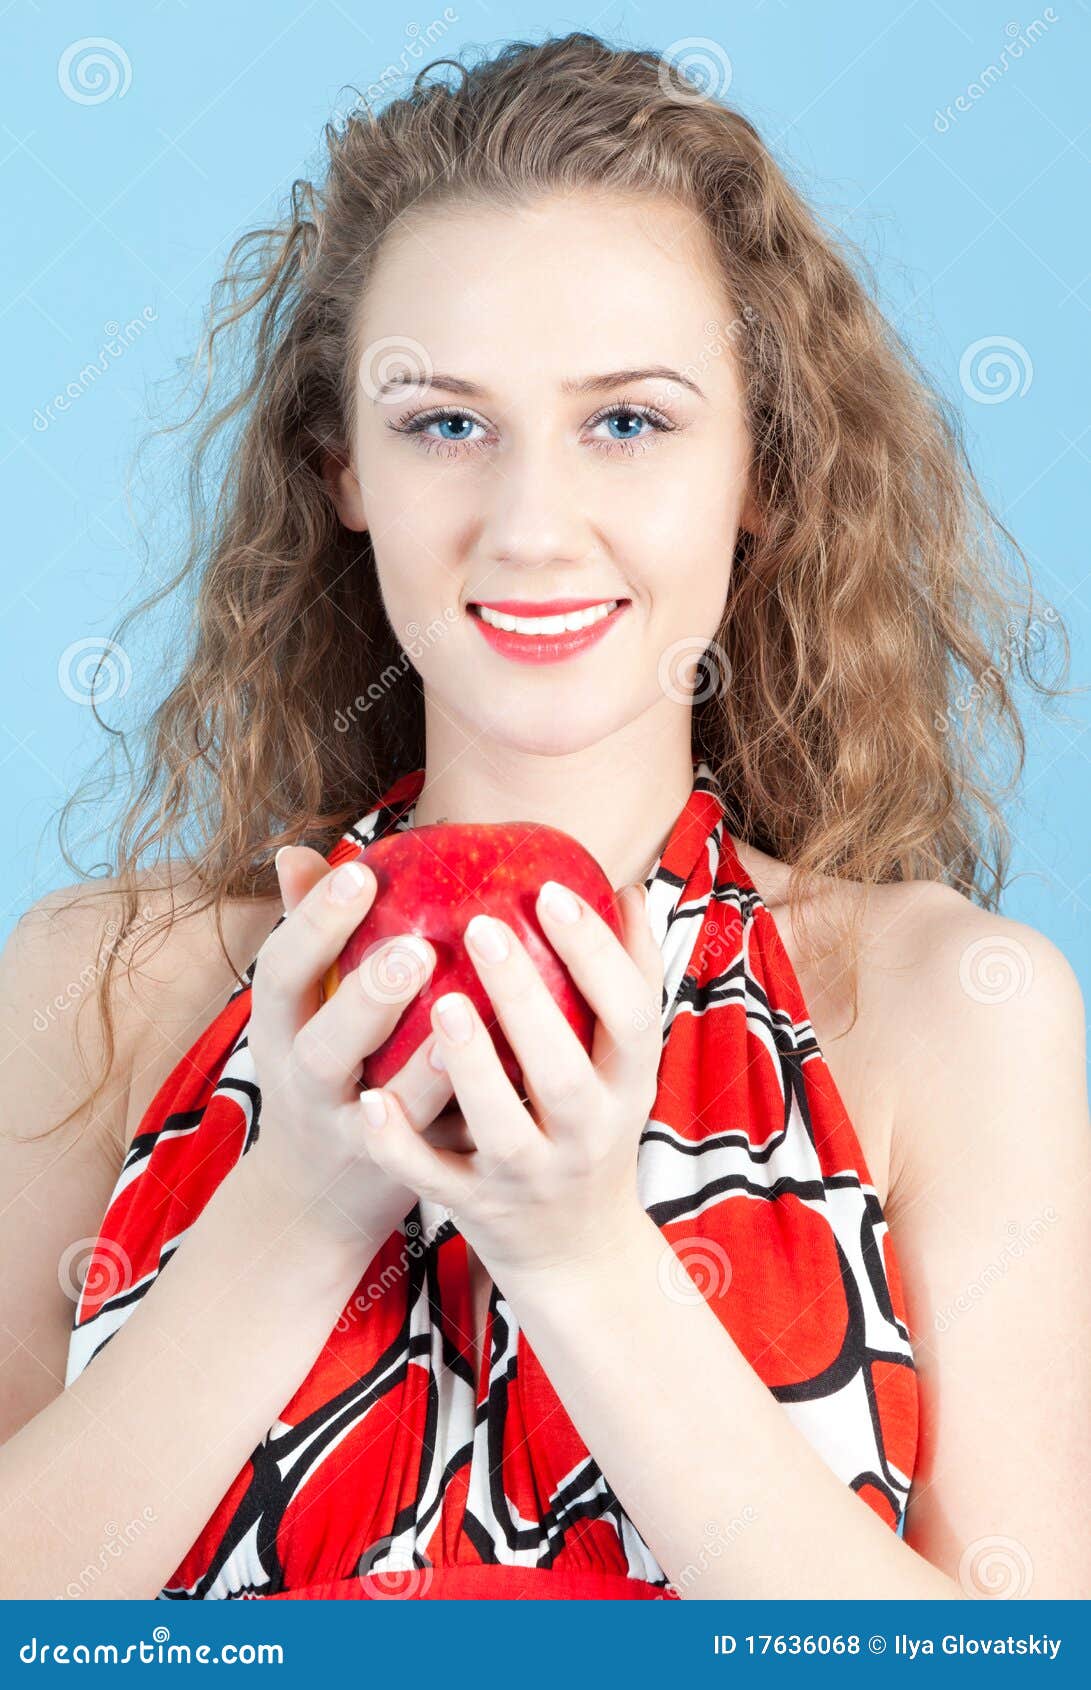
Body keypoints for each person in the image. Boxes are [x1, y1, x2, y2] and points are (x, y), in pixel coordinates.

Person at [1, 31, 1088, 1602]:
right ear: (342, 469)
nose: (529, 526)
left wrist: (582, 1257)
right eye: (446, 422)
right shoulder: (102, 985)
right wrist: (301, 1205)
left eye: (630, 421)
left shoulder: (952, 1010)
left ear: (760, 474)